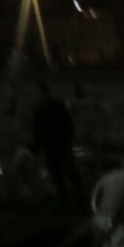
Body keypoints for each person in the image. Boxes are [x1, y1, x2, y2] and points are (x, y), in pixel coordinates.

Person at [29, 83, 81, 212]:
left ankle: (71, 198)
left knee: (62, 172)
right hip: (56, 144)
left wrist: (37, 144)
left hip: (55, 144)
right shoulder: (53, 107)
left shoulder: (46, 108)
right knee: (63, 172)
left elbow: (38, 129)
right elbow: (68, 125)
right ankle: (73, 197)